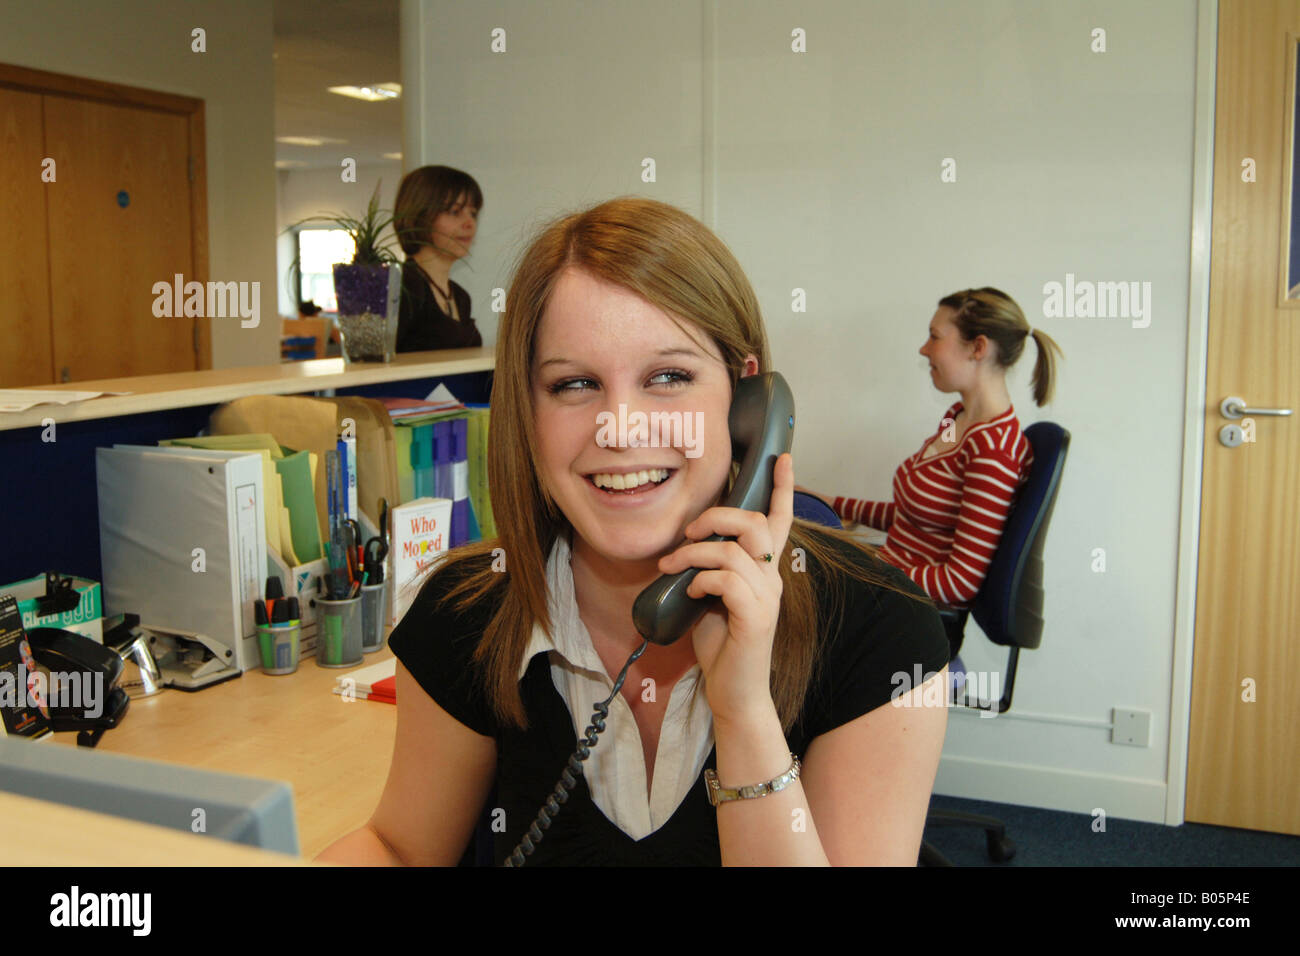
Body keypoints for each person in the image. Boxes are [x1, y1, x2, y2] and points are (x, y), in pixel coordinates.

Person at [318, 197, 950, 867]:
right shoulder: (466, 614)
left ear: (749, 402)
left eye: (669, 377)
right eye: (575, 384)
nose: (621, 429)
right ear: (527, 410)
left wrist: (743, 713)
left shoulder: (882, 628)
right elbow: (397, 848)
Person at [799, 288, 1063, 617]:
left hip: (909, 612)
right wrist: (824, 501)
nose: (924, 349)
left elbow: (959, 583)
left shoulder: (994, 451)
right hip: (890, 582)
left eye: (935, 336)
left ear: (978, 348)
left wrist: (862, 572)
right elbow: (912, 514)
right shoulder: (957, 417)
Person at [392, 165, 484, 352]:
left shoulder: (460, 296)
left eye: (473, 213)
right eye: (455, 211)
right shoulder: (403, 287)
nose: (469, 223)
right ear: (421, 216)